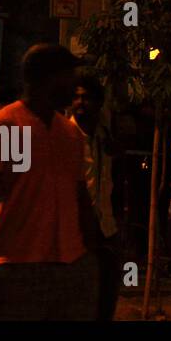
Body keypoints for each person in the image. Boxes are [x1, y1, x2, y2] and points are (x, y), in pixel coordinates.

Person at [0, 44, 98, 320]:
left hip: (70, 262)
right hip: (17, 265)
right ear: (47, 79)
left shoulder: (70, 133)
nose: (73, 85)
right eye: (68, 76)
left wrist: (93, 255)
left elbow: (80, 198)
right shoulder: (0, 127)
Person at [70, 72, 120, 320]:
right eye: (76, 97)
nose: (80, 102)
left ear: (98, 102)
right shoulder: (65, 135)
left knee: (105, 300)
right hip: (75, 230)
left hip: (105, 227)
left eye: (86, 98)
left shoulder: (104, 135)